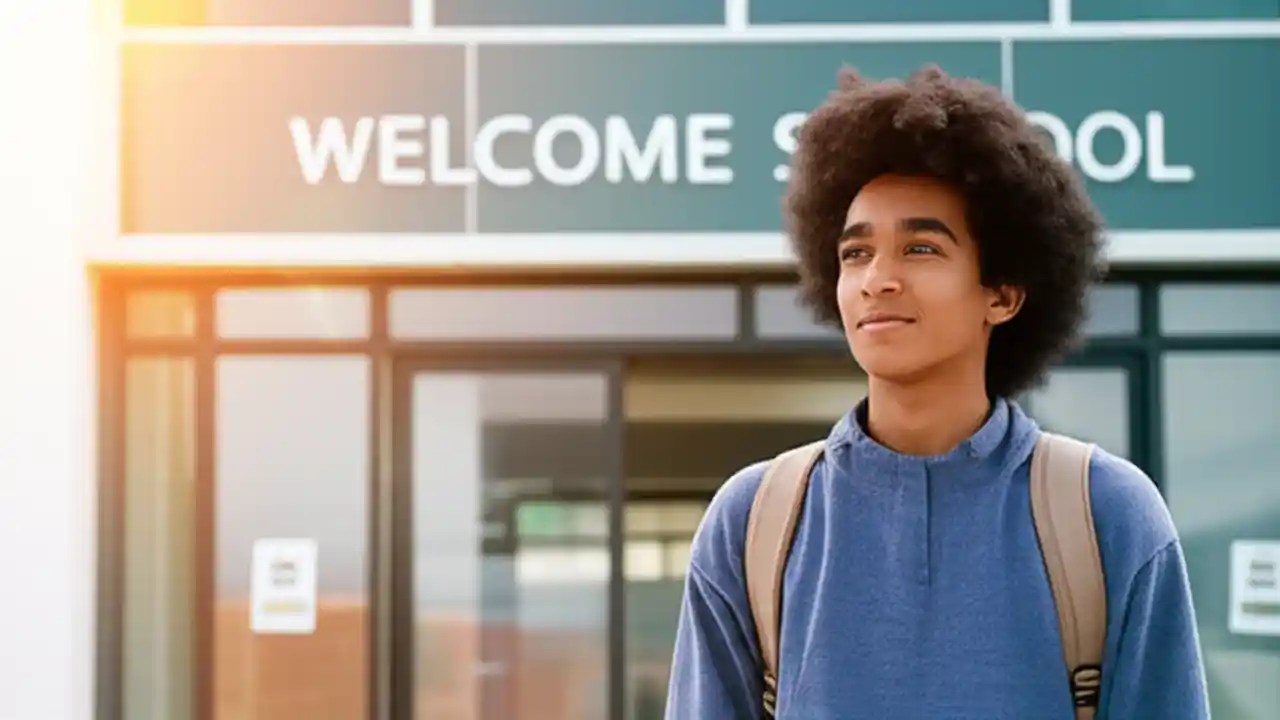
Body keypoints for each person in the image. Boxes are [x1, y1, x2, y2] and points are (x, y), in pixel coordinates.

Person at [664, 65, 1210, 719]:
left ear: (1002, 294)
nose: (877, 280)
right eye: (856, 254)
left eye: (920, 248)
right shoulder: (753, 524)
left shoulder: (1108, 516)